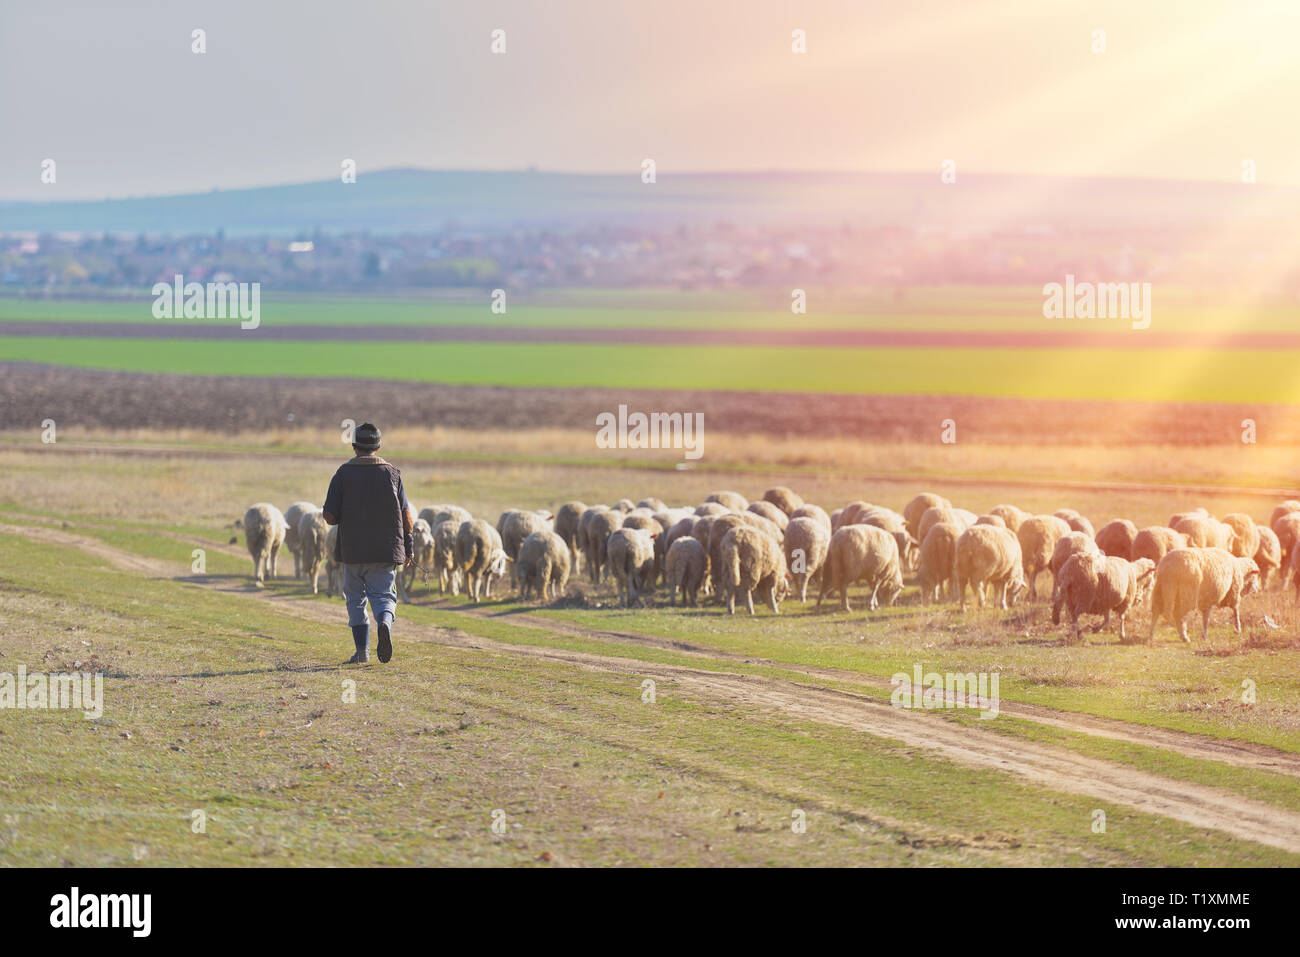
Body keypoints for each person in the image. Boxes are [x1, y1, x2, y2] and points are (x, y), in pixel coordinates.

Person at [322, 422, 414, 664]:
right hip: (386, 550)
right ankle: (384, 623)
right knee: (384, 596)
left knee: (355, 599)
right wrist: (409, 546)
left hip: (353, 551)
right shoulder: (393, 474)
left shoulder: (342, 474)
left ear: (354, 446)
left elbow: (329, 517)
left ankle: (362, 652)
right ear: (378, 446)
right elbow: (406, 515)